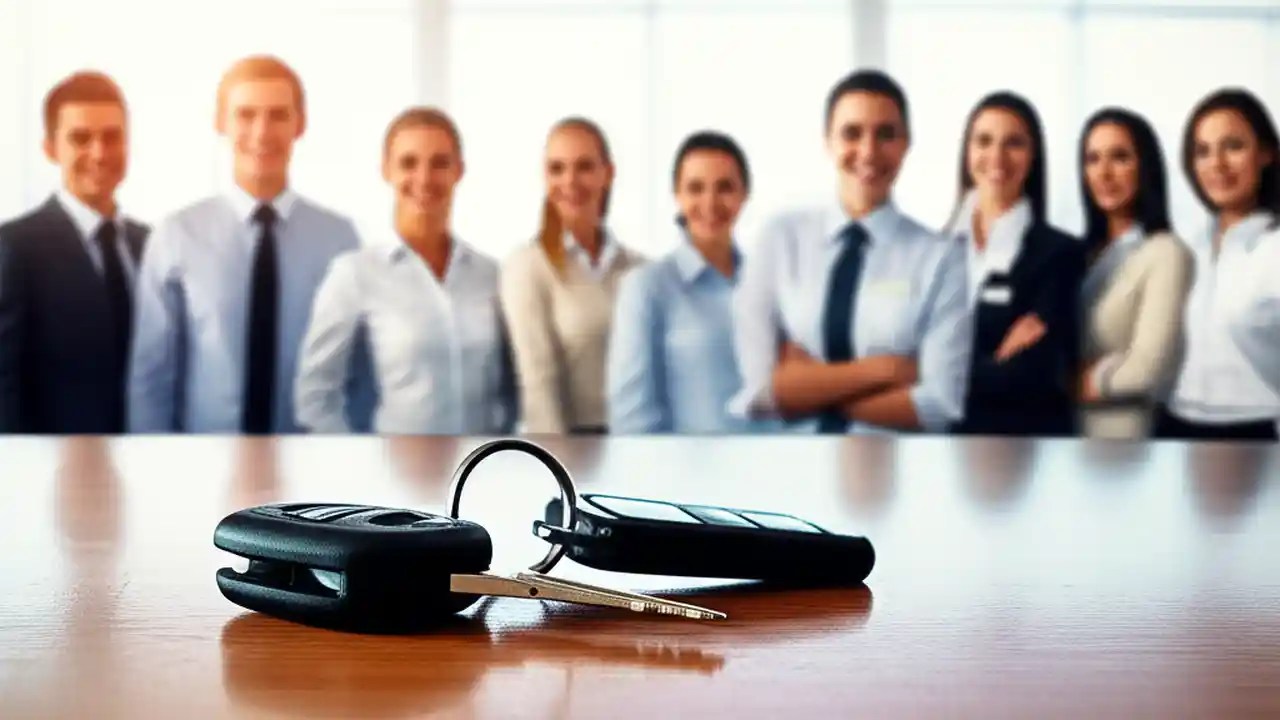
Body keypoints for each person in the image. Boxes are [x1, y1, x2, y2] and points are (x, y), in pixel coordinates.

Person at [129, 55, 366, 434]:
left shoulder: (340, 240)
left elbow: (357, 375)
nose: (261, 132)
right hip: (205, 463)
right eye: (246, 114)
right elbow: (151, 378)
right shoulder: (176, 235)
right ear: (220, 122)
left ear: (299, 124)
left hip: (313, 462)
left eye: (277, 115)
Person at [730, 69, 971, 434]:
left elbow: (939, 405)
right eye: (851, 133)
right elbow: (762, 394)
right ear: (828, 141)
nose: (869, 151)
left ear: (906, 143)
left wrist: (806, 384)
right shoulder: (779, 239)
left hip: (897, 476)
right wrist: (888, 370)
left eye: (886, 134)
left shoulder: (940, 258)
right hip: (793, 472)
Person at [295, 107, 517, 434]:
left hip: (479, 475)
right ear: (387, 170)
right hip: (399, 478)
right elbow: (315, 397)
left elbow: (513, 392)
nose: (424, 178)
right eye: (408, 163)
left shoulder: (490, 275)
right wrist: (357, 466)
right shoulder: (354, 274)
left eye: (440, 163)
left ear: (459, 170)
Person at [0, 71, 148, 433]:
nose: (99, 153)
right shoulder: (15, 247)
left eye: (112, 137)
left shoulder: (151, 245)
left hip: (148, 459)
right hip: (55, 470)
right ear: (50, 148)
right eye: (81, 139)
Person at [947, 91, 1084, 437]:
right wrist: (992, 362)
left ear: (1033, 156)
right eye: (984, 141)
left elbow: (1034, 376)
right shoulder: (933, 250)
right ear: (967, 152)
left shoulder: (1060, 254)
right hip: (944, 447)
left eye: (1014, 143)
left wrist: (940, 368)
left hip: (1026, 449)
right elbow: (908, 357)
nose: (997, 156)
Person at [499, 117, 645, 434]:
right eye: (557, 168)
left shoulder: (639, 270)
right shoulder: (527, 267)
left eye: (584, 167)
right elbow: (538, 383)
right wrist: (560, 471)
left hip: (639, 444)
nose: (570, 181)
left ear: (607, 173)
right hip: (571, 447)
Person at [607, 131, 759, 433]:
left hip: (774, 470)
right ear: (677, 194)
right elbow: (632, 419)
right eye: (695, 188)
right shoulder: (647, 288)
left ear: (745, 194)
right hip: (689, 477)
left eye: (725, 187)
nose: (710, 202)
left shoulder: (768, 281)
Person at [1159, 88, 1280, 441]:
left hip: (1257, 430)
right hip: (1177, 427)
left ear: (1267, 153)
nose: (1217, 164)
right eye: (1203, 151)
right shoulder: (1186, 248)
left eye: (1234, 146)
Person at [1076, 108, 1194, 439]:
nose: (1104, 172)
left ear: (1145, 166)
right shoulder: (1078, 256)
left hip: (1127, 444)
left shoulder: (1166, 253)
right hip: (1064, 442)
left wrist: (1081, 381)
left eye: (1120, 157)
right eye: (1092, 159)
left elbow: (1152, 368)